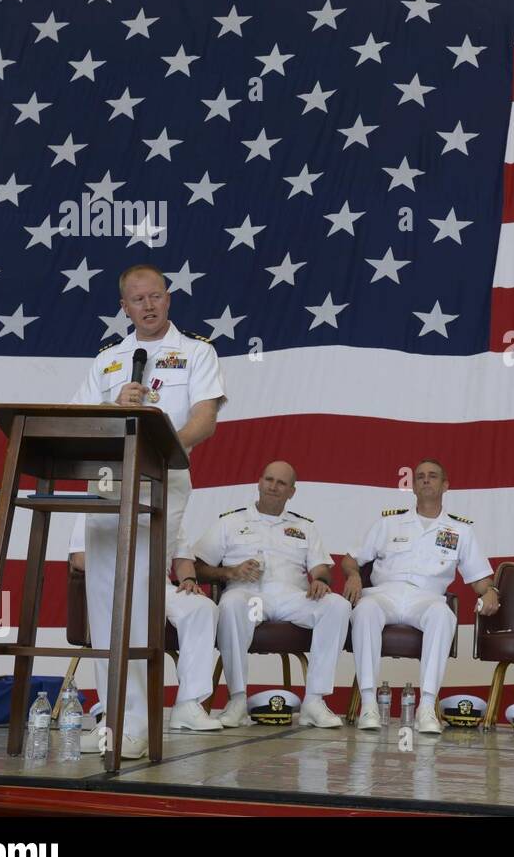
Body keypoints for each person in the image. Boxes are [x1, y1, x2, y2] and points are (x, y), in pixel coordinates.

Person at [71, 264, 225, 758]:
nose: (148, 306)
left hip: (161, 480)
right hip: (107, 481)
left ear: (169, 297)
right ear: (125, 307)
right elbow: (77, 423)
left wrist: (160, 449)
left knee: (138, 594)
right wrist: (114, 405)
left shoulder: (197, 351)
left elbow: (205, 420)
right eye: (138, 300)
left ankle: (135, 723)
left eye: (155, 296)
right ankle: (111, 715)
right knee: (104, 599)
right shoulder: (108, 360)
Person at [338, 459, 498, 734]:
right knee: (364, 610)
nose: (426, 480)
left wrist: (491, 591)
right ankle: (368, 705)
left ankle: (426, 707)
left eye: (433, 476)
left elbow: (480, 578)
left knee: (443, 615)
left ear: (445, 485)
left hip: (427, 598)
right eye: (420, 476)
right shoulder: (388, 523)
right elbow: (350, 560)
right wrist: (353, 575)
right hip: (383, 595)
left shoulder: (460, 531)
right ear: (412, 486)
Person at [190, 462, 351, 729]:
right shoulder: (230, 522)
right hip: (252, 600)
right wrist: (230, 572)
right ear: (259, 482)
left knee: (337, 605)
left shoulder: (305, 527)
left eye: (281, 483)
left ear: (292, 492)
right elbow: (196, 566)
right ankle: (238, 700)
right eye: (269, 479)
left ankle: (314, 701)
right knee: (231, 603)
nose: (273, 487)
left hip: (293, 599)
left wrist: (321, 581)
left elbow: (322, 570)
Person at [67, 516, 222, 737]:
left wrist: (189, 579)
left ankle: (189, 704)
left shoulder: (167, 508)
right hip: (118, 585)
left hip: (161, 587)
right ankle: (120, 707)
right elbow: (79, 558)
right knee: (134, 608)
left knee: (202, 608)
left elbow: (181, 558)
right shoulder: (92, 511)